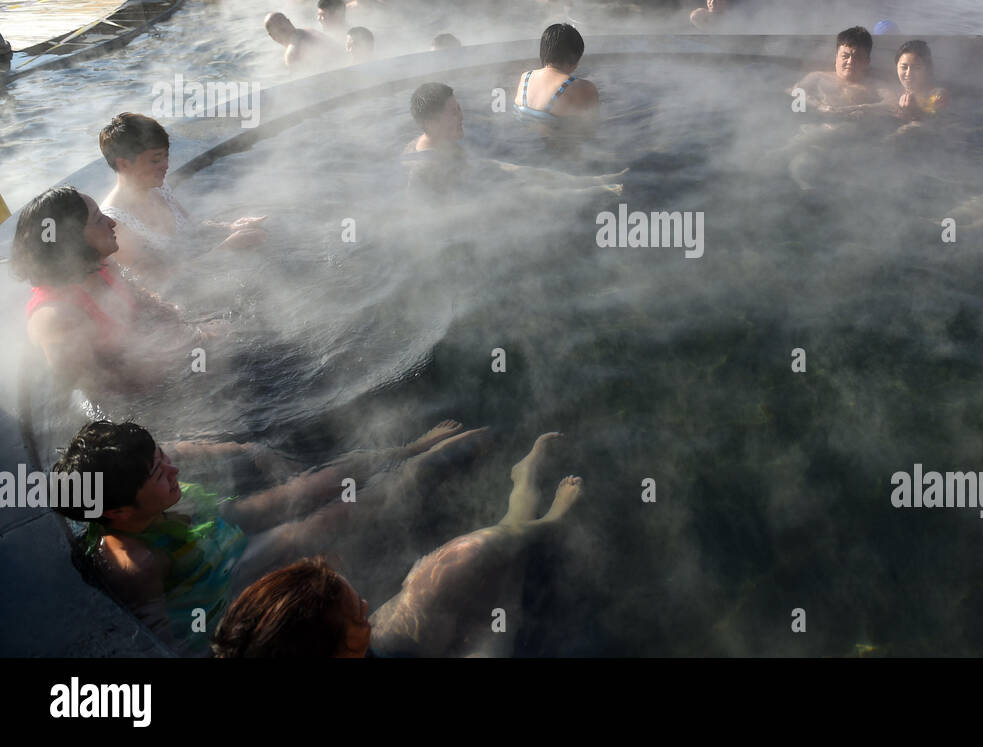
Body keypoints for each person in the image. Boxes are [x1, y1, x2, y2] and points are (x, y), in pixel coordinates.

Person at [51, 418, 491, 656]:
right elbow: (164, 639)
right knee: (318, 524)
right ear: (118, 512)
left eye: (160, 456)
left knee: (313, 485)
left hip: (208, 521)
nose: (172, 468)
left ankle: (408, 450)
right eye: (157, 472)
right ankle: (425, 467)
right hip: (217, 571)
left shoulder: (139, 481)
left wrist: (249, 451)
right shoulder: (137, 564)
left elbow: (185, 450)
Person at [212, 433, 583, 658]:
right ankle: (529, 521)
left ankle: (524, 523)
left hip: (387, 647)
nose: (369, 607)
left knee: (472, 557)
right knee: (499, 612)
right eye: (358, 614)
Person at [11, 188, 227, 400]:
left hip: (162, 367)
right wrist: (183, 352)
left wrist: (191, 330)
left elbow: (144, 301)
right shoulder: (56, 319)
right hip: (134, 408)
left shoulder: (101, 265)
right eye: (98, 219)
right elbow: (95, 388)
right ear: (71, 240)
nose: (111, 222)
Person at [98, 113, 266, 286]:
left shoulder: (158, 188)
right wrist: (225, 249)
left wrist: (229, 227)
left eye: (166, 156)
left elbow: (191, 228)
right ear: (124, 164)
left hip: (197, 272)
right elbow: (154, 279)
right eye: (156, 160)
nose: (166, 165)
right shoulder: (114, 223)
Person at [406, 82, 620, 195]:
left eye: (459, 109)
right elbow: (429, 216)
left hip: (473, 173)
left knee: (520, 170)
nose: (461, 117)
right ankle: (593, 192)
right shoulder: (422, 169)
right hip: (474, 196)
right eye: (453, 113)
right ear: (431, 123)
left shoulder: (440, 142)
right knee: (526, 195)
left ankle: (595, 181)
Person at [790, 26, 889, 115]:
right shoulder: (818, 77)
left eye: (857, 57)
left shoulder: (875, 86)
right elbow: (794, 92)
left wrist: (859, 108)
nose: (850, 61)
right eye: (845, 56)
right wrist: (819, 106)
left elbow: (891, 103)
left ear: (867, 62)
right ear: (836, 57)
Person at [513, 23, 599, 125]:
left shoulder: (525, 77)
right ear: (575, 59)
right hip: (560, 137)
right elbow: (593, 122)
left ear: (543, 52)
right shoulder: (581, 87)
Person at [264, 12, 338, 73]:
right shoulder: (310, 31)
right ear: (289, 22)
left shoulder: (291, 54)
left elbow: (301, 83)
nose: (280, 26)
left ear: (272, 36)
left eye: (280, 23)